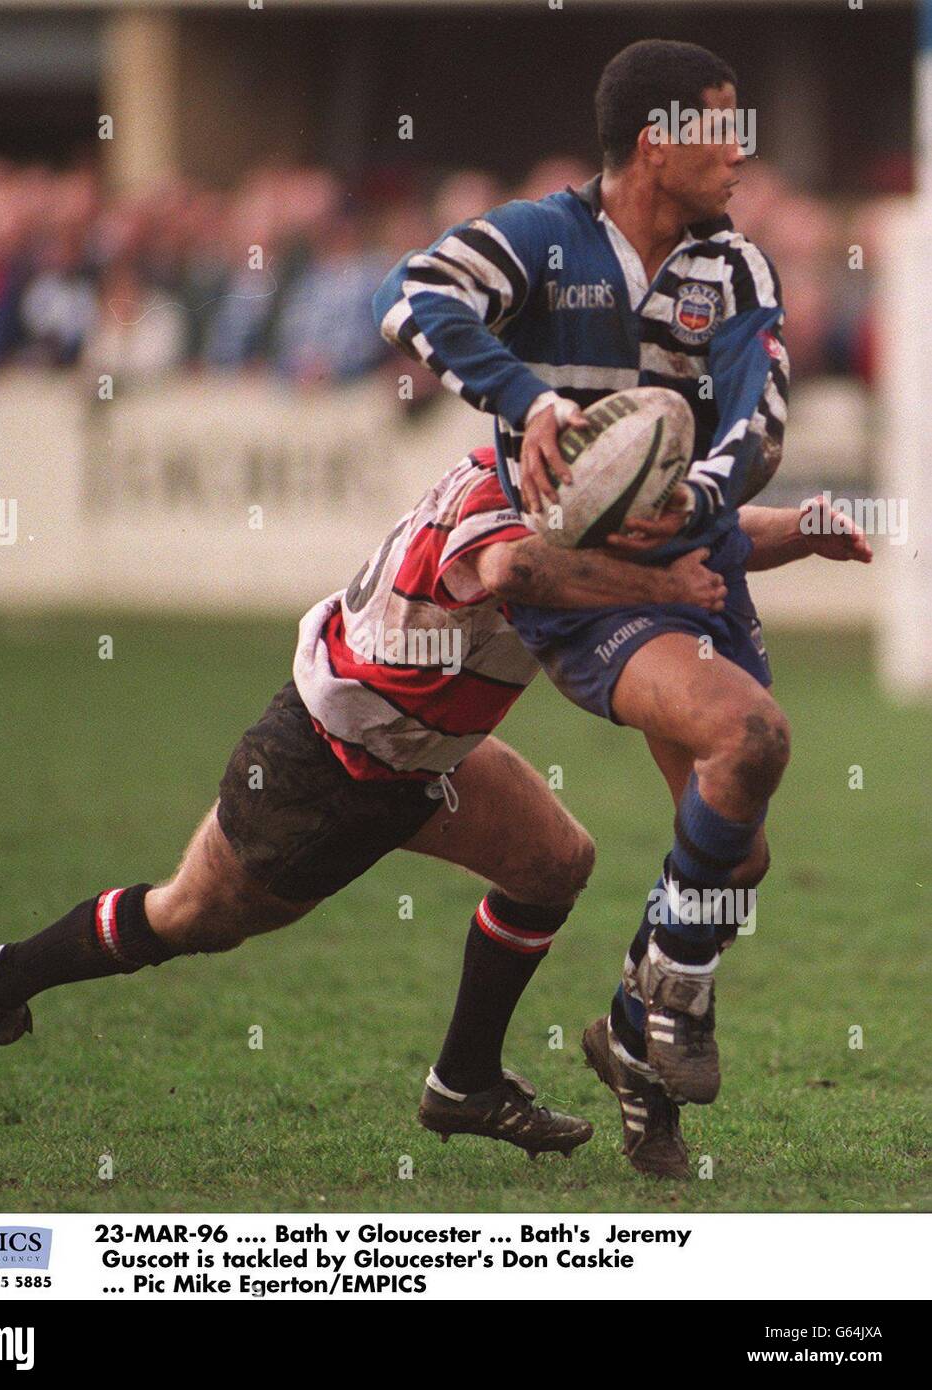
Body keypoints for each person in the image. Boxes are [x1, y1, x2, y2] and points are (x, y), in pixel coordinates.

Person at [0, 439, 865, 1172]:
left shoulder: (558, 485)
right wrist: (662, 588)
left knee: (553, 862)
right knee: (190, 917)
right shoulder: (495, 505)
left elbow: (695, 538)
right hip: (326, 763)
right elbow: (514, 576)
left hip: (426, 752)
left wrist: (804, 531)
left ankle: (462, 1081)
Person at [373, 39, 872, 1173]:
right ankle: (676, 1006)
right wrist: (525, 398)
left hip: (702, 569)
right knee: (746, 736)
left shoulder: (733, 269)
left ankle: (631, 1033)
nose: (741, 153)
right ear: (657, 137)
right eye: (720, 128)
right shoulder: (540, 241)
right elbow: (408, 292)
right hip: (592, 590)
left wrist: (698, 494)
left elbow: (763, 417)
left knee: (732, 854)